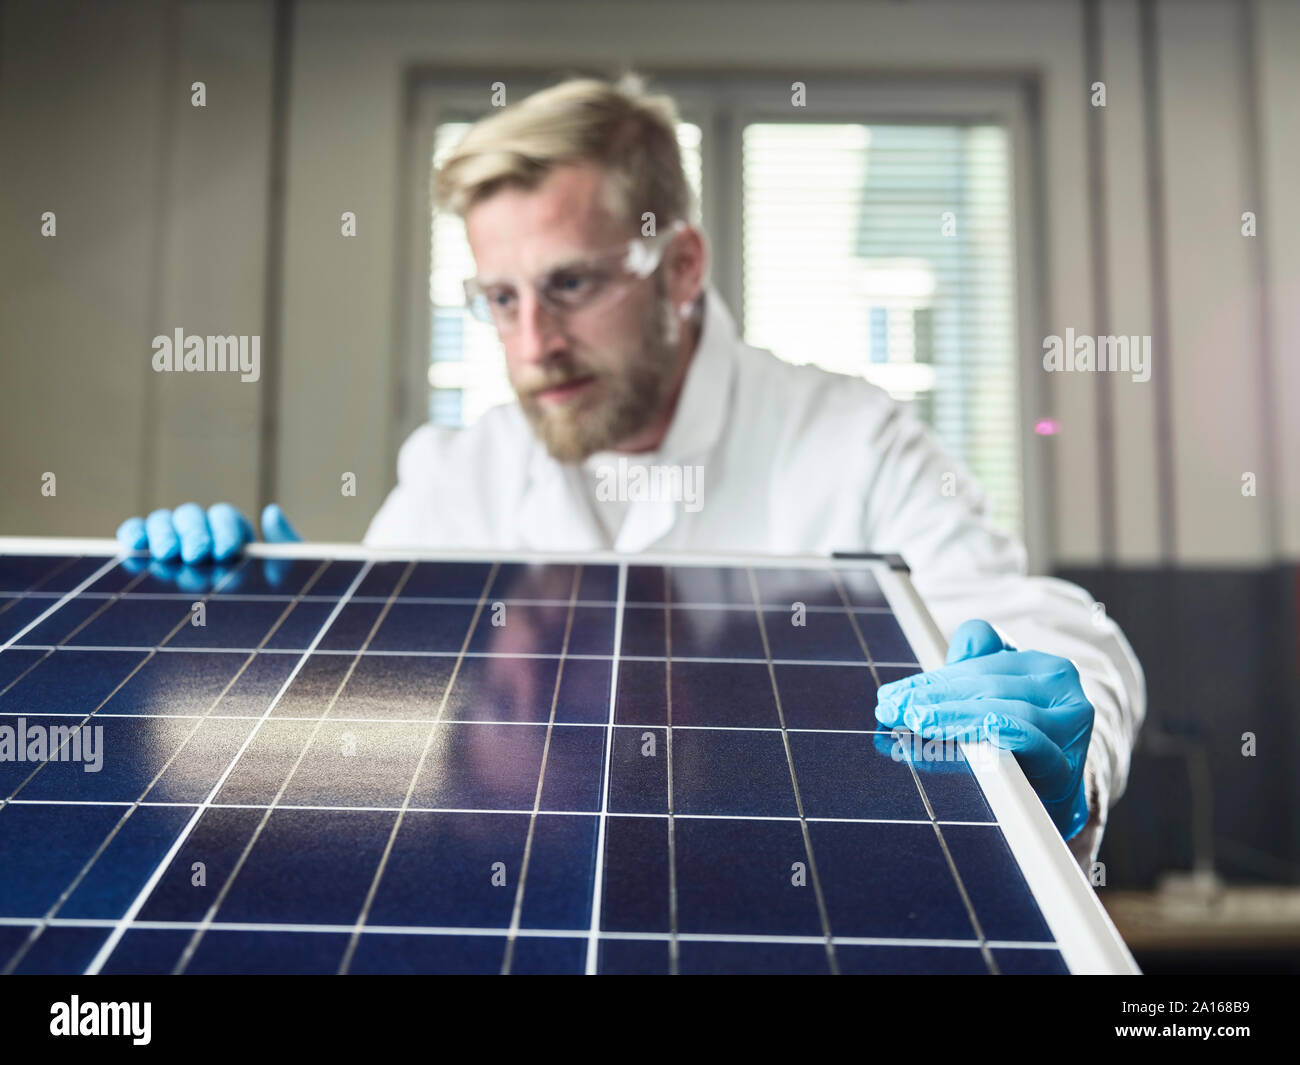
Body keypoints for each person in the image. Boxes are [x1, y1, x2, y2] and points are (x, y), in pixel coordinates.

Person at [117, 73, 1144, 874]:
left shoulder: (848, 444)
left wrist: (1064, 761)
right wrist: (274, 613)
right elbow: (380, 686)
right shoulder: (462, 472)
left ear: (681, 267)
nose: (533, 344)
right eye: (499, 299)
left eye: (568, 284)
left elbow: (1050, 633)